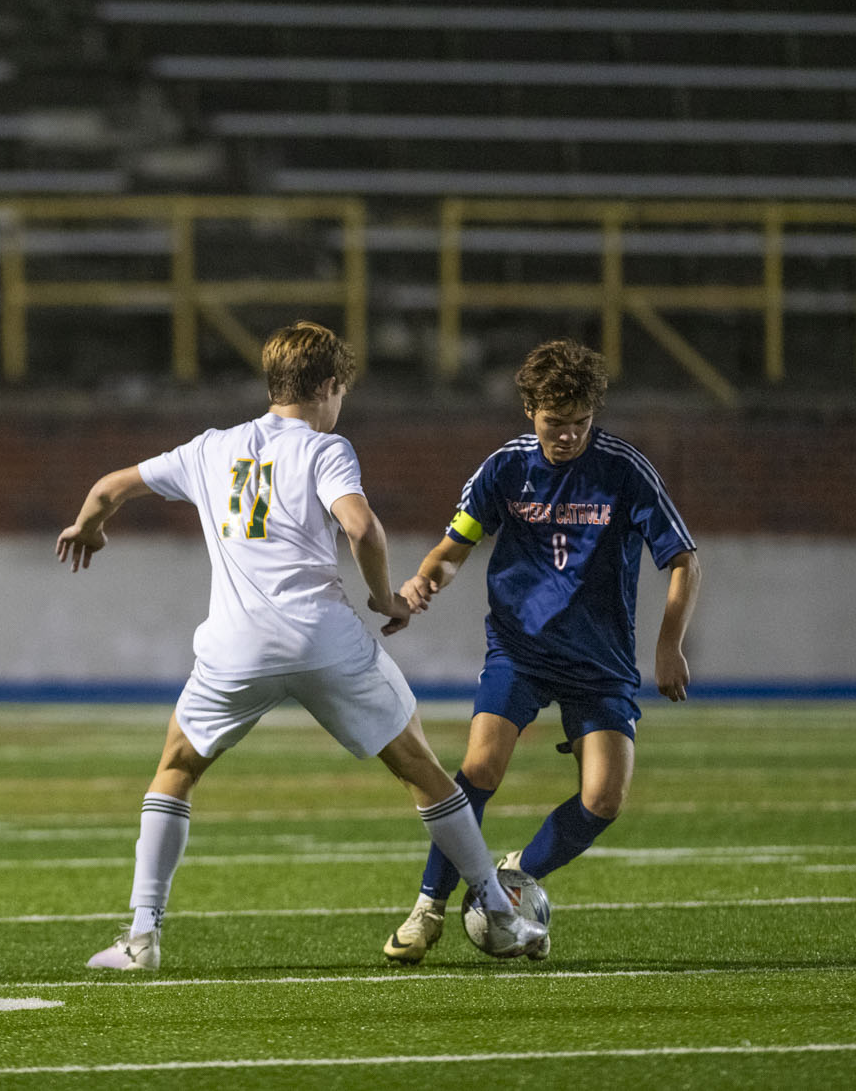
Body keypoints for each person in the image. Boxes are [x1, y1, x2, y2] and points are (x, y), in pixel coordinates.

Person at [55, 320, 547, 972]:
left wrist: (89, 529)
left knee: (175, 768)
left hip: (237, 647)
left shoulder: (210, 447)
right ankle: (498, 907)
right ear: (329, 385)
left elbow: (108, 488)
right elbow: (362, 526)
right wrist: (384, 597)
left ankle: (142, 935)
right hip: (323, 639)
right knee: (419, 766)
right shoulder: (324, 448)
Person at [384, 338, 702, 965]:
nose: (568, 437)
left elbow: (685, 559)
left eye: (581, 424)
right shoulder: (505, 468)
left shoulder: (625, 470)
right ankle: (428, 907)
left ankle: (515, 873)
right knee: (479, 770)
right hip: (520, 649)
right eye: (556, 424)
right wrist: (425, 580)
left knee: (604, 799)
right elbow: (455, 548)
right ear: (530, 410)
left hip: (600, 659)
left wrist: (670, 645)